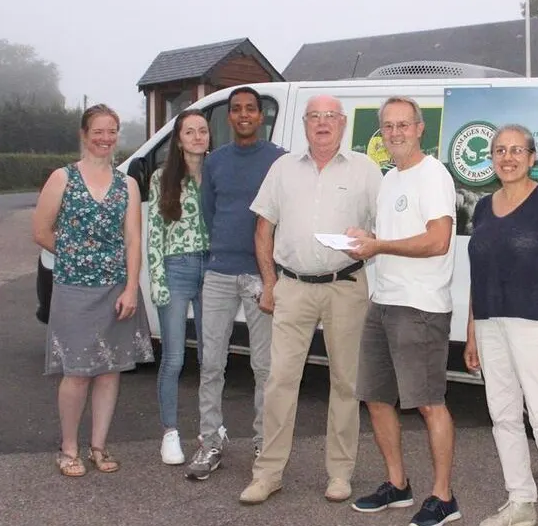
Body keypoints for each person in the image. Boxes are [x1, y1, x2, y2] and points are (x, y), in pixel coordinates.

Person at [238, 94, 383, 505]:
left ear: (343, 123)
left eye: (330, 116)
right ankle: (268, 474)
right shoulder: (282, 169)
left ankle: (340, 474)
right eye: (314, 116)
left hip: (346, 286)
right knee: (280, 380)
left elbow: (384, 230)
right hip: (293, 287)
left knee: (346, 382)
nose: (322, 123)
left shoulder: (366, 170)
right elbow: (263, 230)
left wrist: (370, 239)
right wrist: (270, 284)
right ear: (304, 124)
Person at [345, 96, 462, 526]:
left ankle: (444, 498)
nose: (395, 133)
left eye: (403, 125)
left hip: (420, 306)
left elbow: (437, 241)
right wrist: (366, 238)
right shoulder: (390, 178)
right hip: (384, 300)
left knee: (429, 403)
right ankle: (397, 485)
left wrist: (379, 245)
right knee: (376, 398)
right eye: (388, 126)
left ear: (419, 129)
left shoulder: (434, 175)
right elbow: (394, 236)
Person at [463, 124, 538, 526]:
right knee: (503, 416)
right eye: (500, 150)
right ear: (491, 158)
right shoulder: (482, 207)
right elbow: (478, 275)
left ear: (532, 158)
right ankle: (521, 502)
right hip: (490, 324)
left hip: (536, 325)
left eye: (516, 150)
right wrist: (472, 333)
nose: (507, 158)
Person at [32, 103, 154, 477]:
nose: (105, 138)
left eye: (111, 131)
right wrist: (76, 256)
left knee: (109, 371)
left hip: (115, 289)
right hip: (73, 290)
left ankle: (99, 446)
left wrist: (131, 288)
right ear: (84, 135)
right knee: (77, 372)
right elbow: (41, 231)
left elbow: (133, 241)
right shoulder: (63, 178)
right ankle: (68, 448)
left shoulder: (127, 184)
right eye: (98, 131)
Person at [185, 86, 287, 481]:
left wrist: (270, 273)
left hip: (262, 274)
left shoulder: (278, 160)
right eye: (237, 109)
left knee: (264, 367)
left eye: (250, 109)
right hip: (220, 273)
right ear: (229, 117)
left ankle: (264, 444)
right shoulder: (216, 161)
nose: (244, 115)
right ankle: (210, 442)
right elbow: (210, 213)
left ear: (261, 116)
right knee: (211, 363)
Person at [147, 109, 211, 465]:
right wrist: (158, 279)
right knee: (174, 357)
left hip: (212, 268)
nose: (198, 137)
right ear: (179, 139)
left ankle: (210, 429)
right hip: (177, 267)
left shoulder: (216, 172)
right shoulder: (162, 177)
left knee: (210, 356)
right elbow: (154, 232)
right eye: (190, 132)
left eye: (203, 130)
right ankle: (170, 433)